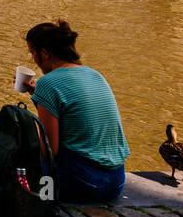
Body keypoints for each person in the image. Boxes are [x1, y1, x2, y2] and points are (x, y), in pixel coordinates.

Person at [24, 20, 129, 204]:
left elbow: (50, 149)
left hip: (85, 184)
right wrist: (37, 96)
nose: (33, 59)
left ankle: (42, 202)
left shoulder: (48, 83)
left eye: (32, 53)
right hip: (116, 184)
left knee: (23, 155)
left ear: (44, 53)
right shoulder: (95, 74)